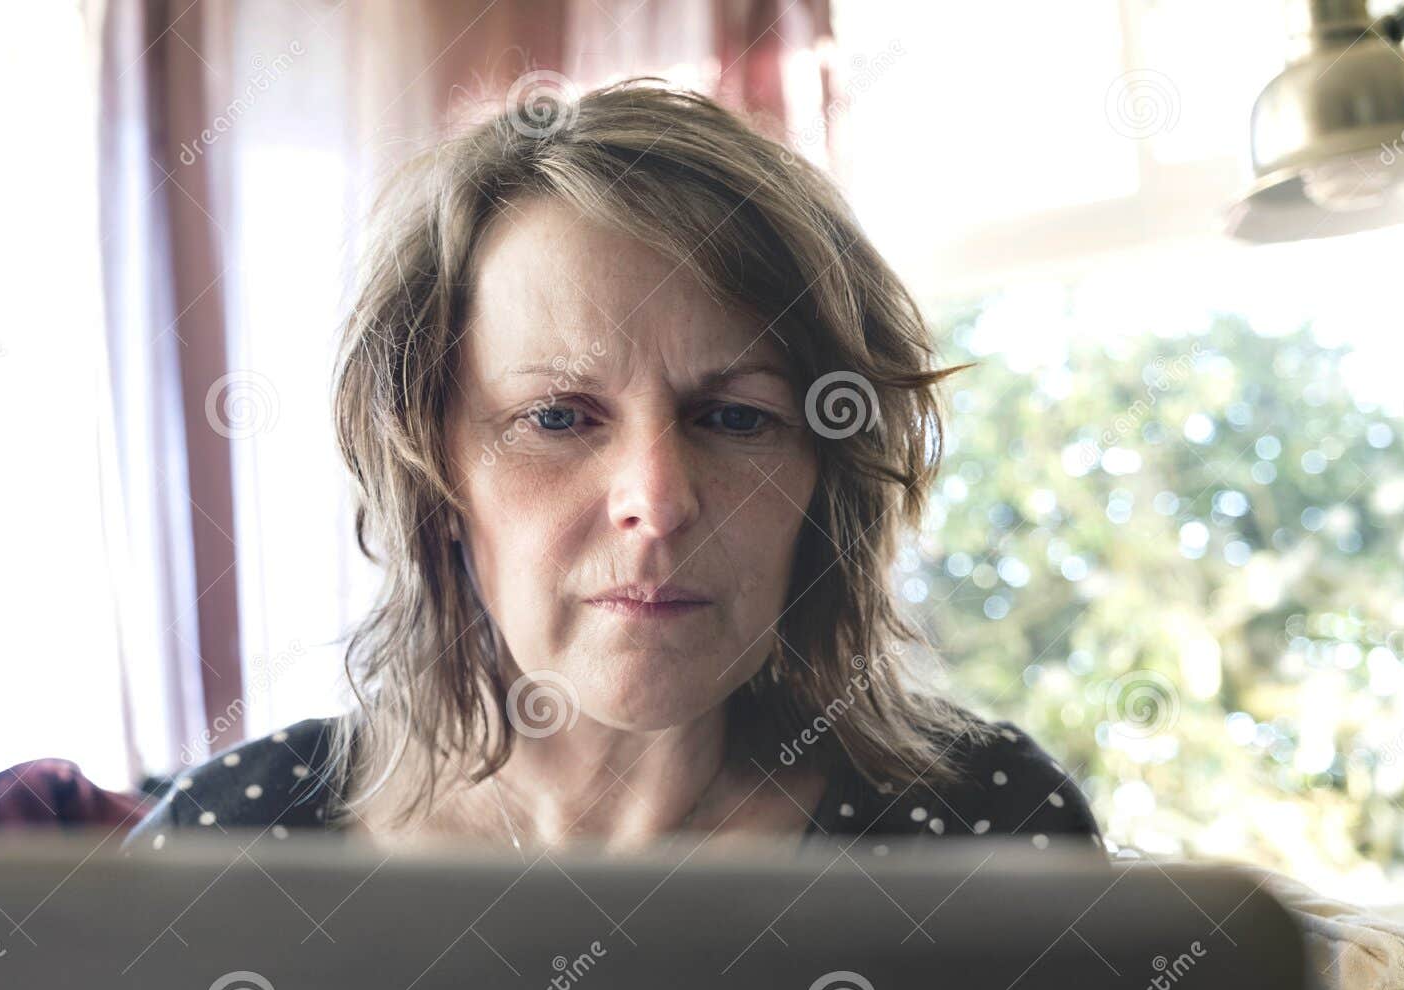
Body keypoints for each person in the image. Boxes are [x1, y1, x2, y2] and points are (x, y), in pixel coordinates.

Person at [124, 79, 1101, 860]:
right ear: (435, 471)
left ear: (823, 476)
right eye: (555, 417)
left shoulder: (993, 833)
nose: (658, 500)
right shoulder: (227, 849)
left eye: (733, 416)